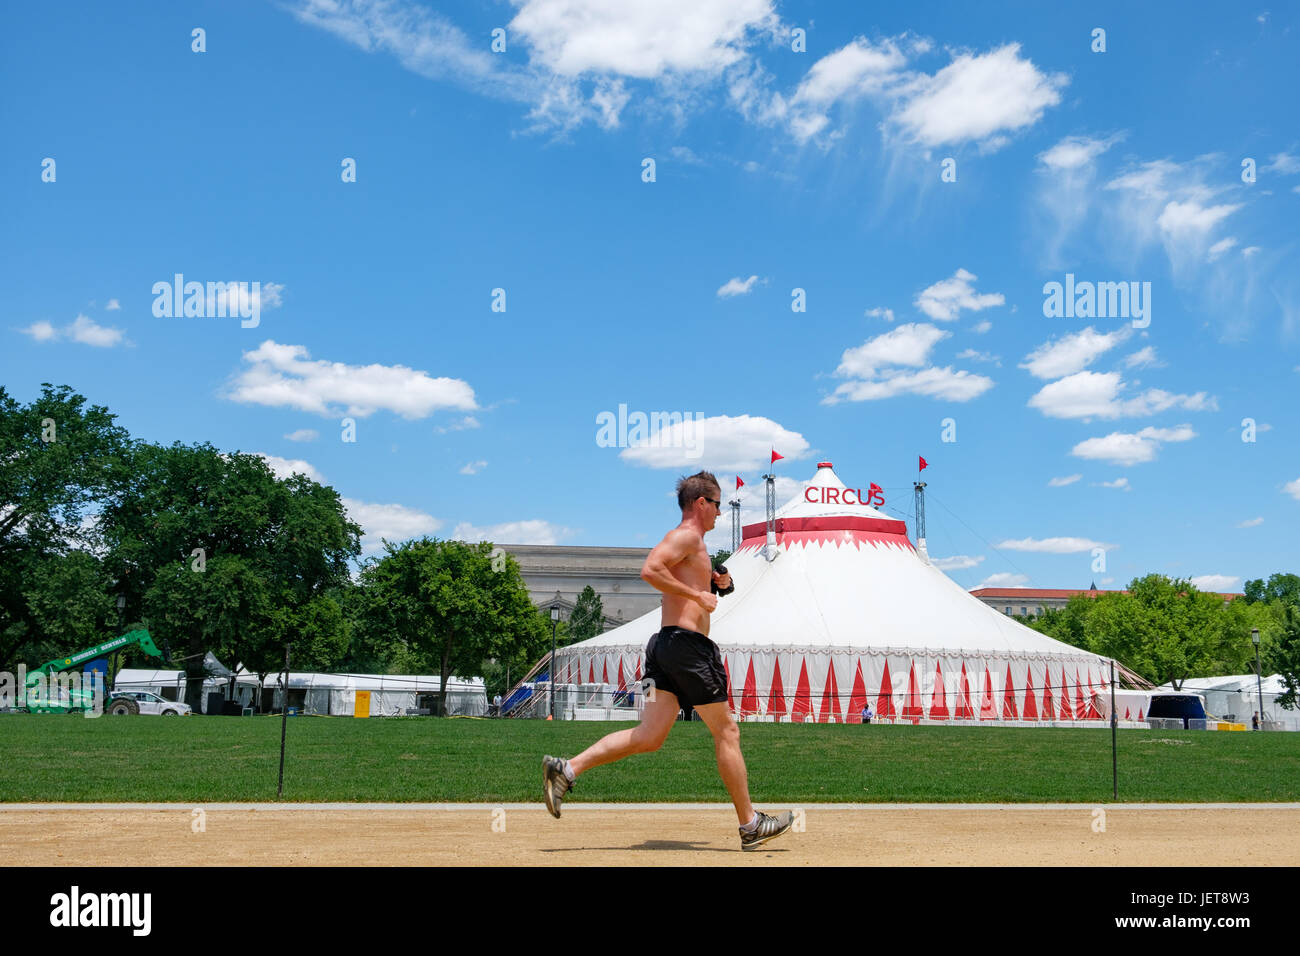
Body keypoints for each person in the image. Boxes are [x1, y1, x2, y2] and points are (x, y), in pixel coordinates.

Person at [543, 471, 795, 851]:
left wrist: (714, 585)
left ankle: (567, 769)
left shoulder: (694, 545)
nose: (720, 513)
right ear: (701, 504)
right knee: (727, 731)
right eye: (717, 505)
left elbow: (681, 579)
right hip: (687, 649)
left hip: (664, 648)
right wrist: (697, 594)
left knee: (649, 736)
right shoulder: (686, 536)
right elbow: (650, 570)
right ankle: (750, 824)